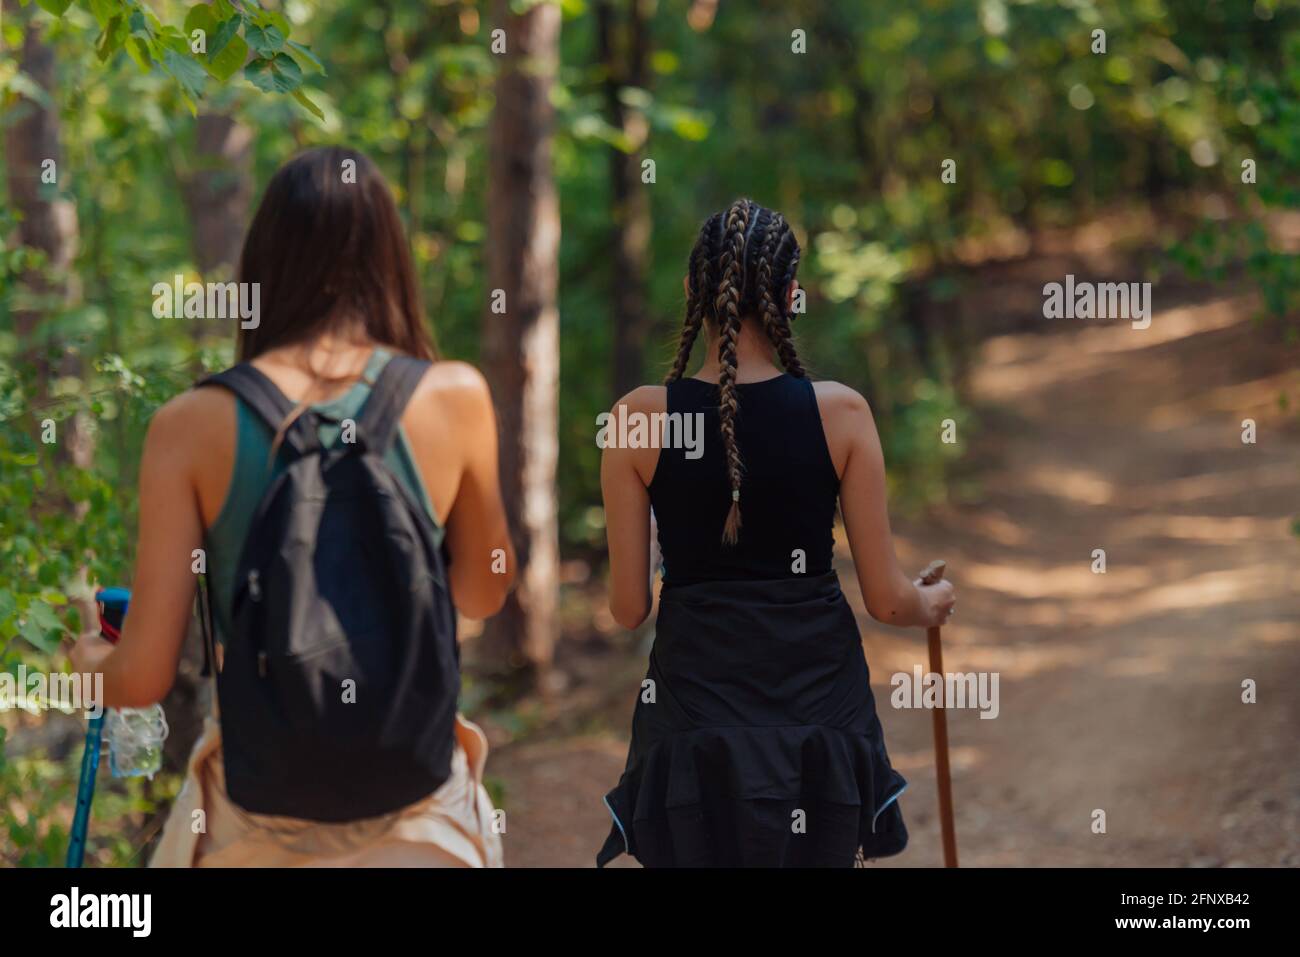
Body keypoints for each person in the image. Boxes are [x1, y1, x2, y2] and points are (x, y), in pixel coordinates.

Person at [70, 147, 514, 867]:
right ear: (391, 259)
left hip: (258, 827)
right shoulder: (454, 395)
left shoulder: (191, 423)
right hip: (421, 821)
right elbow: (484, 590)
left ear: (264, 266)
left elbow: (144, 675)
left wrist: (88, 659)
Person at [597, 198, 956, 867]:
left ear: (691, 291)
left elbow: (627, 608)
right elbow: (886, 599)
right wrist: (931, 602)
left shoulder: (637, 418)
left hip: (695, 724)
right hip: (817, 721)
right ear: (794, 294)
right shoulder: (842, 412)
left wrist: (654, 538)